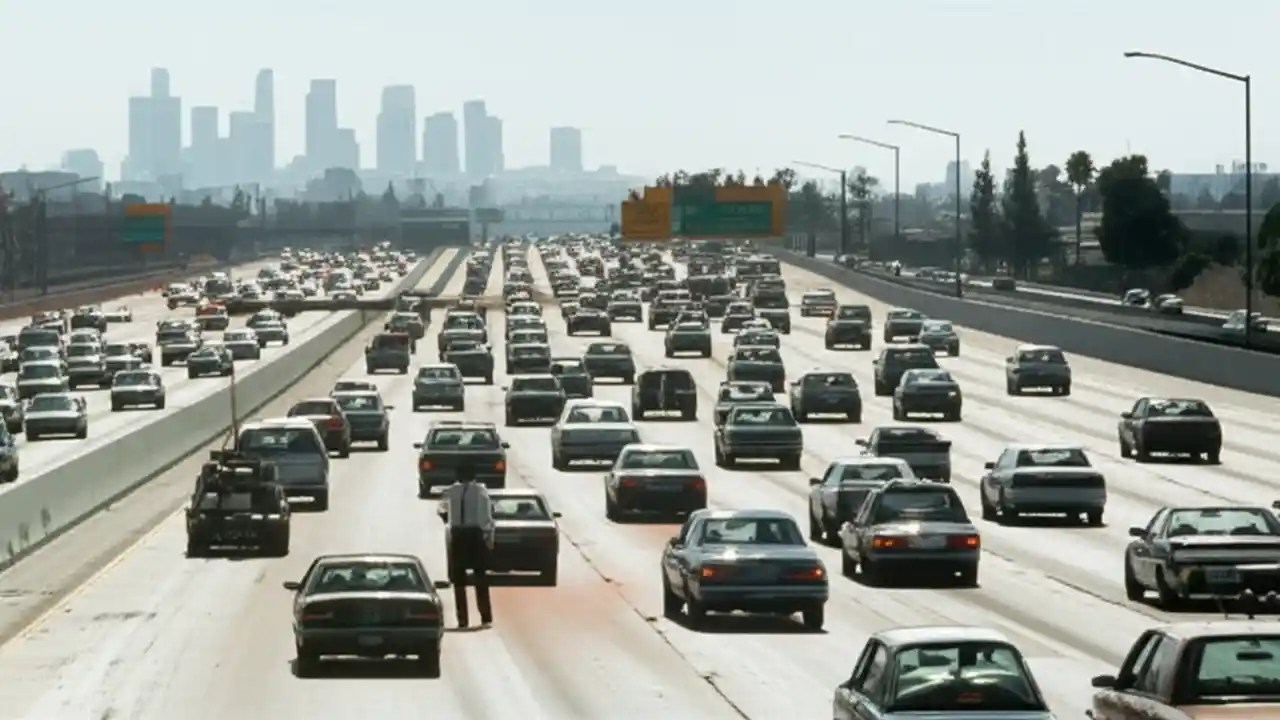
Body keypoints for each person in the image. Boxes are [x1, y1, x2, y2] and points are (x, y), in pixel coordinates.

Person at [440, 464, 494, 628]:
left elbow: (442, 509)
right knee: (480, 576)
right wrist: (488, 537)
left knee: (459, 580)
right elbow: (486, 516)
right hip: (474, 534)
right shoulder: (481, 491)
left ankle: (462, 619)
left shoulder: (450, 492)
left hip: (458, 535)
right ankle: (485, 616)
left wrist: (448, 520)